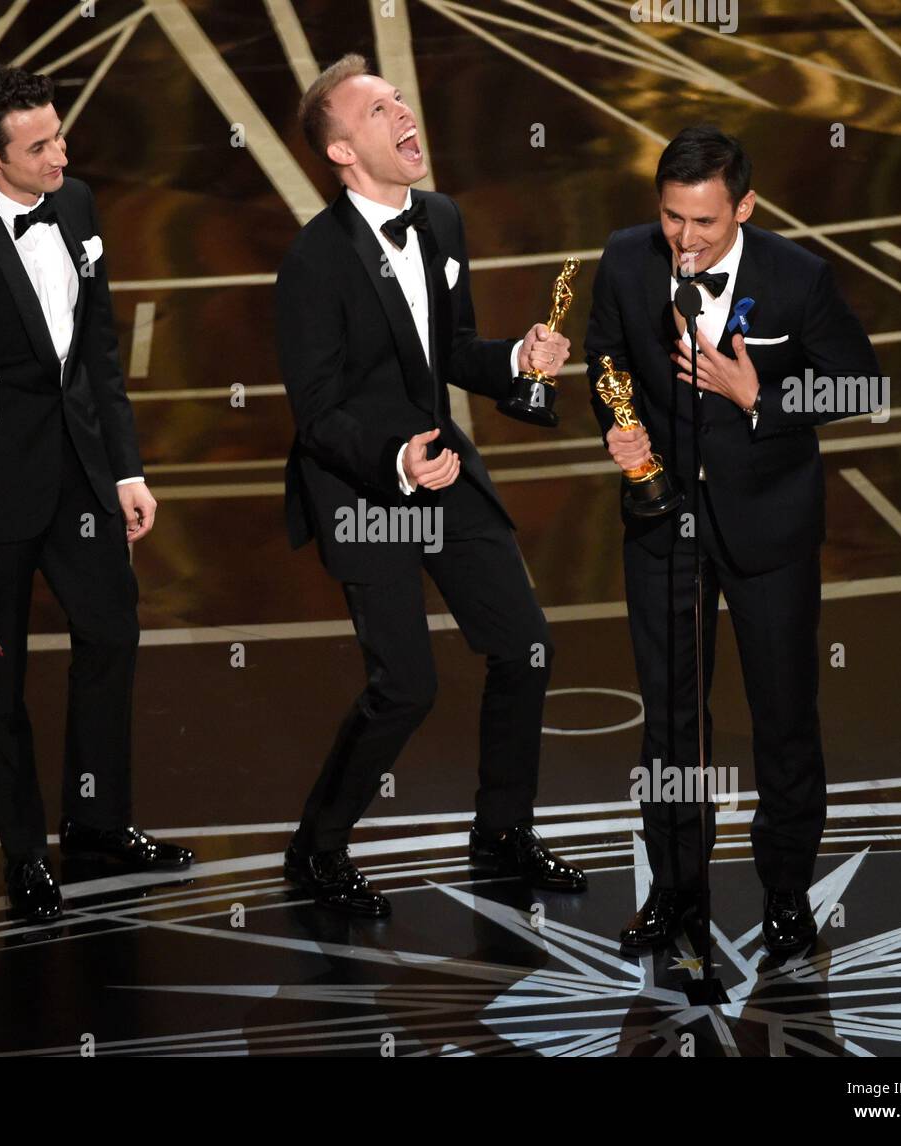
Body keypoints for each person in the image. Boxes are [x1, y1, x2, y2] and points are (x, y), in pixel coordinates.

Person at [275, 54, 586, 918]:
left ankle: (502, 831)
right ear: (342, 152)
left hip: (444, 470)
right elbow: (319, 413)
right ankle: (317, 848)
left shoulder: (440, 220)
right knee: (406, 685)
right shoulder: (312, 263)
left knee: (525, 646)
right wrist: (395, 462)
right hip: (363, 486)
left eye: (400, 98)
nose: (403, 112)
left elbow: (449, 352)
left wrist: (518, 360)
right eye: (378, 109)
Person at [0, 64, 193, 922]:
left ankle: (98, 824)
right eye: (39, 146)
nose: (61, 154)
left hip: (83, 481)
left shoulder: (79, 205)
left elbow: (97, 351)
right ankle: (26, 854)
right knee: (2, 678)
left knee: (112, 636)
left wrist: (127, 469)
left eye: (60, 134)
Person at [584, 125, 880, 955]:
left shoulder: (799, 277)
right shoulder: (625, 258)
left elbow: (864, 381)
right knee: (673, 725)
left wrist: (762, 396)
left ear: (745, 207)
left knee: (784, 717)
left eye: (705, 222)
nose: (684, 238)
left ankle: (786, 893)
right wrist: (623, 431)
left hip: (770, 530)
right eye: (672, 217)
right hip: (661, 525)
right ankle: (678, 891)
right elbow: (604, 359)